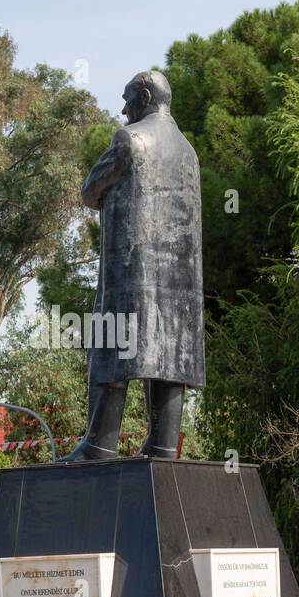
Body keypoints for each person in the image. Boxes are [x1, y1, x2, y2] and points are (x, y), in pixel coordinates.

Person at [64, 71, 205, 462]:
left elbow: (90, 191)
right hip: (181, 280)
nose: (124, 109)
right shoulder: (188, 151)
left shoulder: (130, 139)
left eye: (128, 99)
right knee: (171, 359)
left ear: (144, 96)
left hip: (130, 271)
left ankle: (98, 446)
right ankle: (162, 448)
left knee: (111, 351)